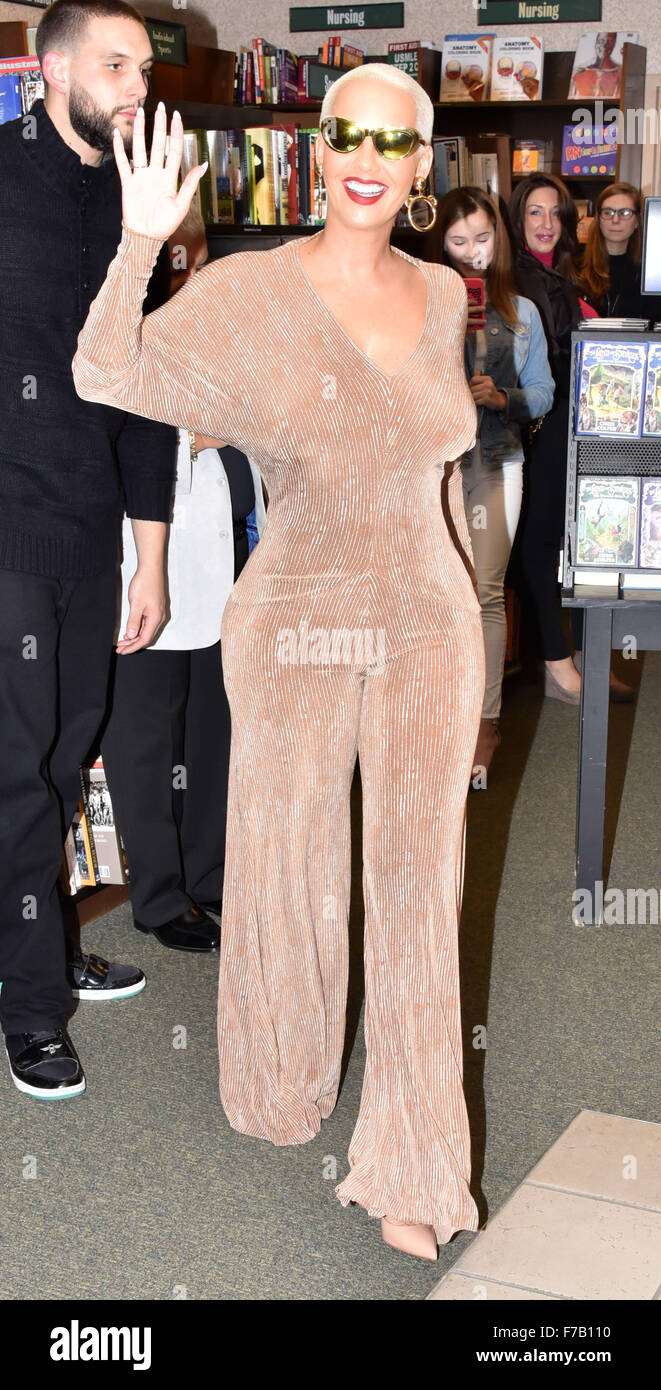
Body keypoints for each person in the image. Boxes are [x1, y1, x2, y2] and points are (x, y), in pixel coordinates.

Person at [73, 65, 485, 1261]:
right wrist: (140, 243)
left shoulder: (449, 293)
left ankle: (410, 1162)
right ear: (320, 145)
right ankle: (279, 1078)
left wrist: (473, 620)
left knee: (417, 890)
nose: (367, 155)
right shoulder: (252, 290)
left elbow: (444, 476)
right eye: (347, 131)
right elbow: (112, 372)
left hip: (424, 615)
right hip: (298, 615)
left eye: (393, 141)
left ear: (419, 170)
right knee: (289, 853)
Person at [0, 0, 177, 1100]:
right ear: (48, 67)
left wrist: (151, 556)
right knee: (17, 777)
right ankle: (32, 1012)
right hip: (5, 531)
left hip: (91, 528)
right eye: (116, 65)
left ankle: (41, 948)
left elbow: (146, 392)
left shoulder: (134, 200)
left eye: (145, 70)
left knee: (65, 762)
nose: (136, 87)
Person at [100, 207, 266, 953]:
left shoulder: (227, 332)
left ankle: (210, 875)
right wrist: (204, 435)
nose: (191, 267)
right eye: (178, 254)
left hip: (230, 569)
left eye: (198, 253)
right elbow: (114, 441)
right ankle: (160, 898)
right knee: (144, 740)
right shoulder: (123, 330)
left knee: (214, 734)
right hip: (149, 569)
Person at [439, 187, 554, 780]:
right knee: (434, 594)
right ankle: (434, 717)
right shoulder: (422, 298)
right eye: (458, 242)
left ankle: (484, 722)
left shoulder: (522, 311)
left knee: (484, 591)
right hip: (431, 467)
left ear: (498, 237)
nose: (472, 253)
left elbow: (543, 394)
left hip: (496, 461)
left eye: (482, 239)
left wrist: (503, 397)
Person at [507, 173, 632, 703]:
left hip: (570, 416)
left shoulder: (562, 271)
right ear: (518, 219)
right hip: (539, 420)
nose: (546, 223)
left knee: (576, 538)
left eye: (555, 213)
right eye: (535, 212)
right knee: (540, 541)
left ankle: (580, 653)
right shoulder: (515, 273)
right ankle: (559, 665)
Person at [581, 182, 661, 322]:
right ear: (599, 219)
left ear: (637, 221)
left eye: (625, 213)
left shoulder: (651, 274)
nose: (615, 220)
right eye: (608, 212)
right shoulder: (576, 266)